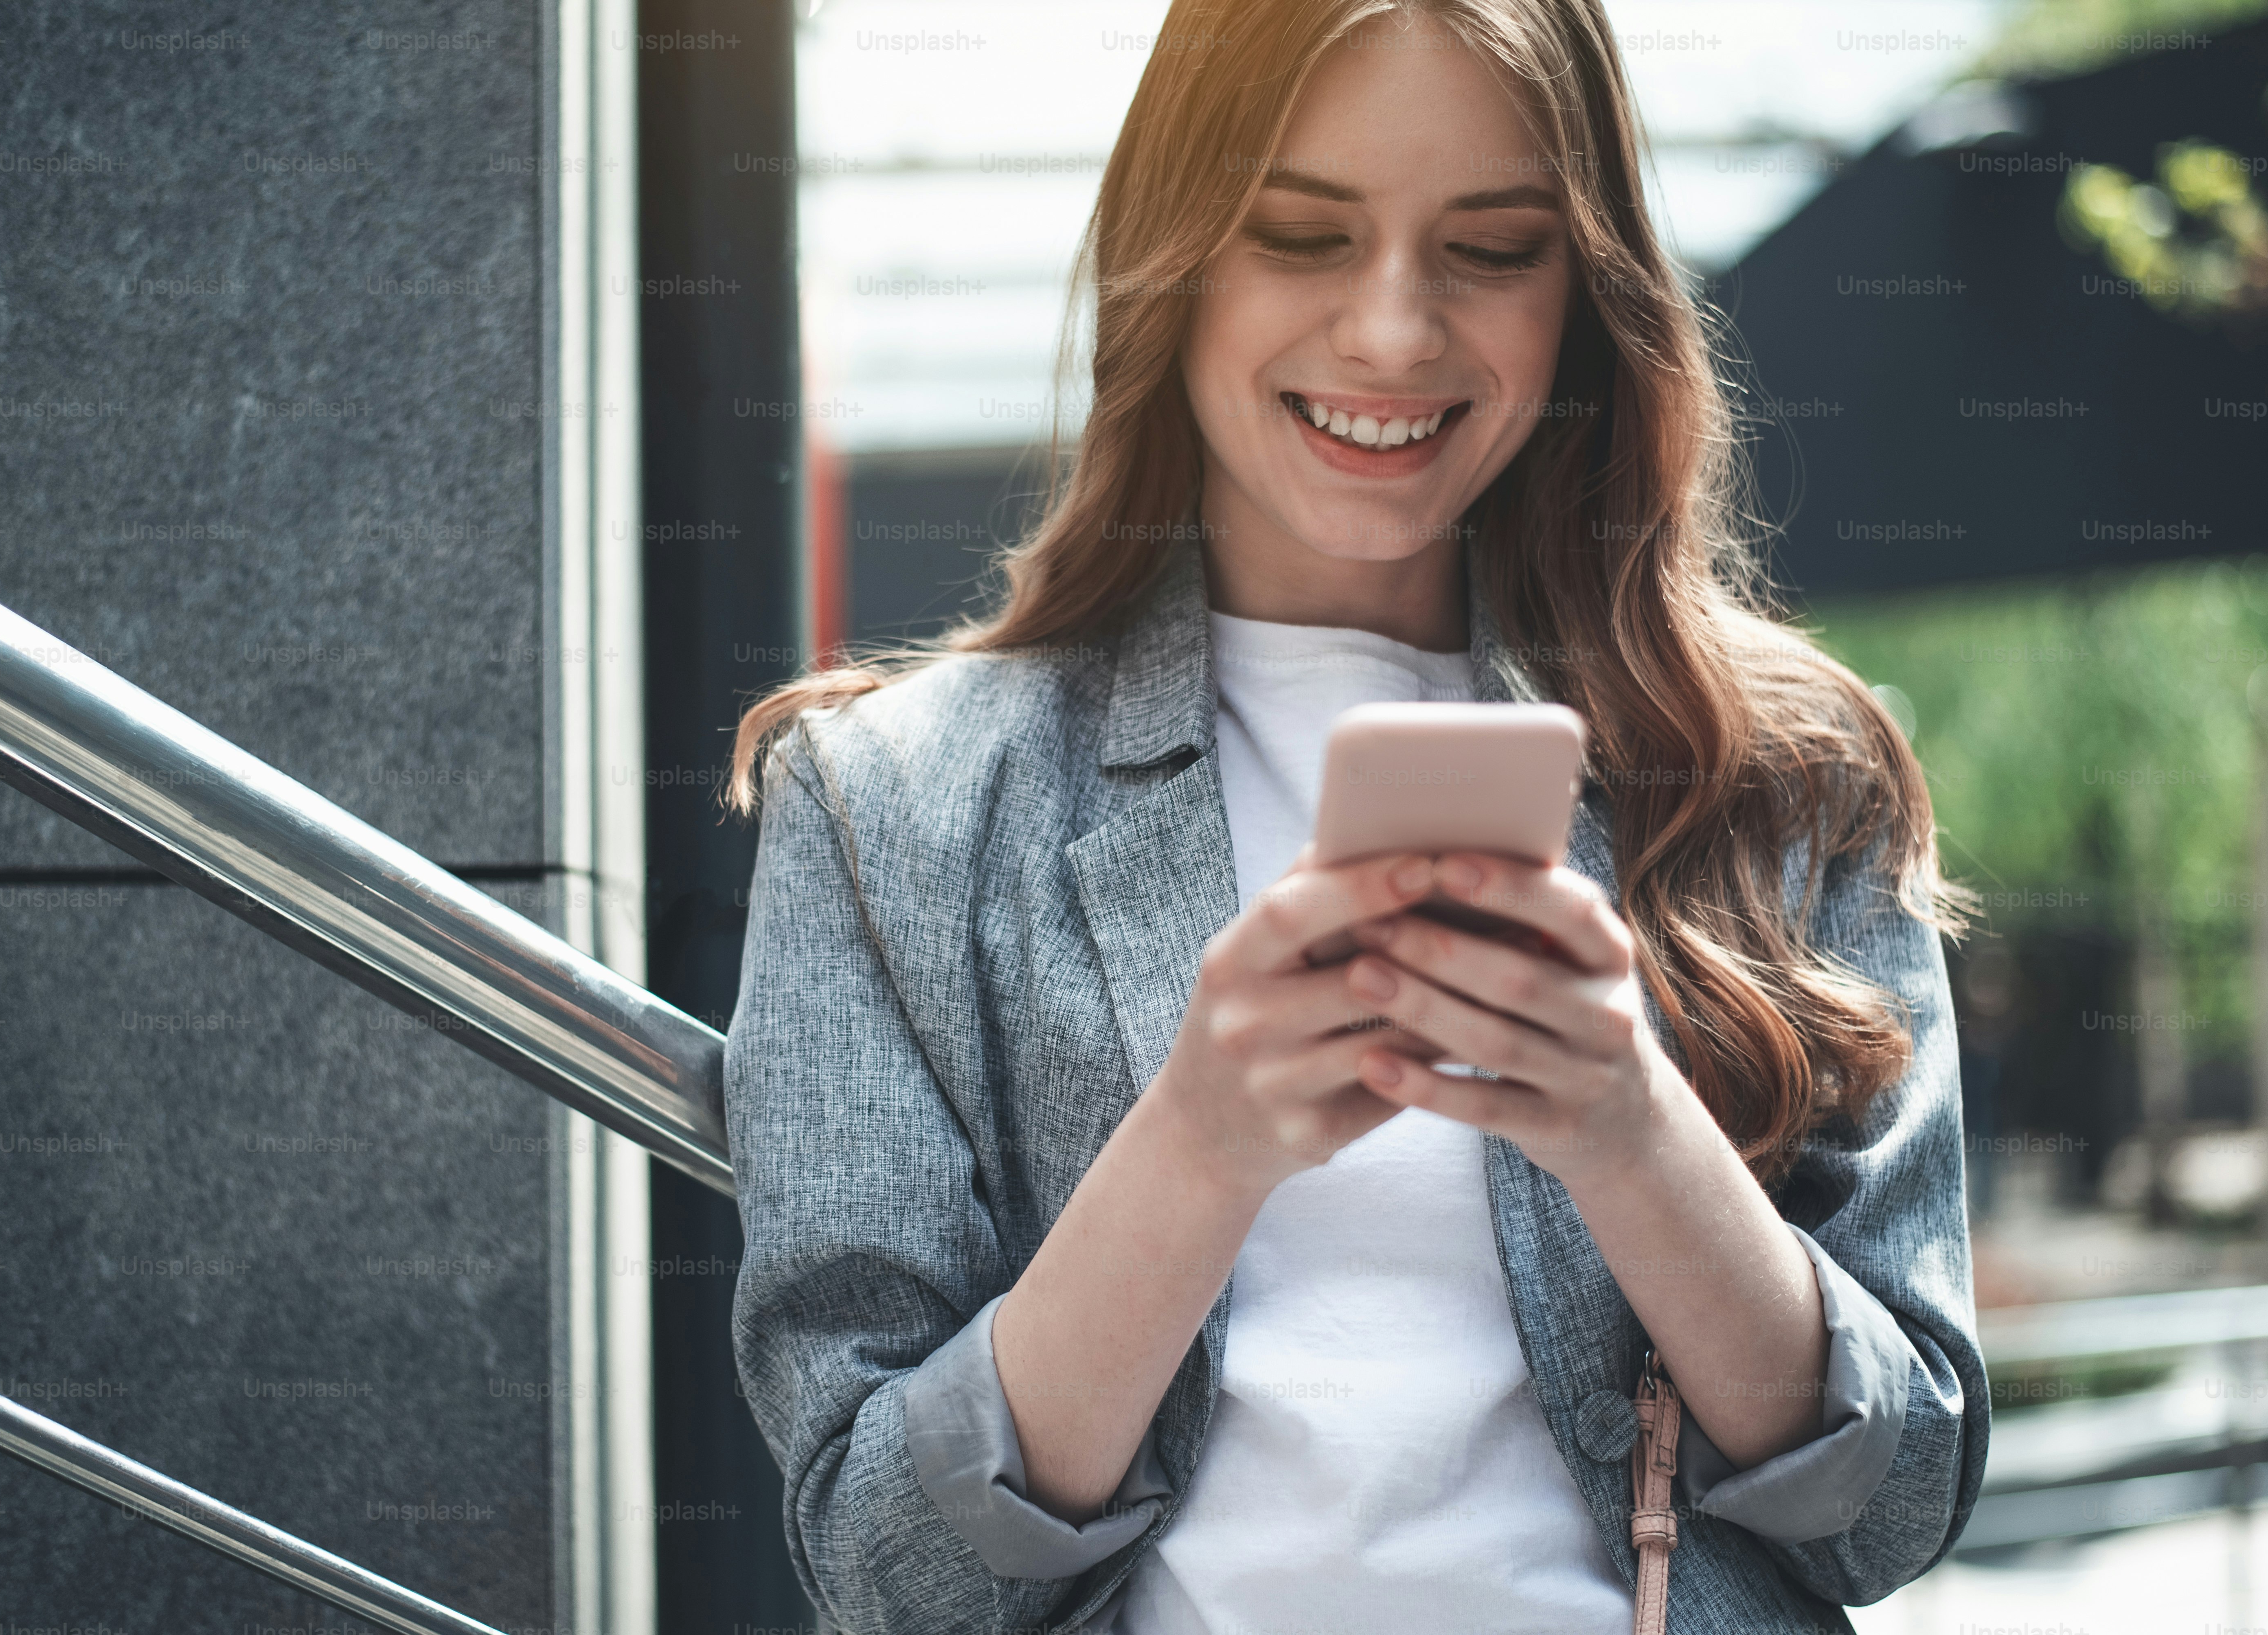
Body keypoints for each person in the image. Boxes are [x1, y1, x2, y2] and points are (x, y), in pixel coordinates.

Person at [719, 1, 1989, 1630]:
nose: (1392, 332)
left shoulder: (1786, 777)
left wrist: (1624, 1125)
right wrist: (1197, 1142)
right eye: (1303, 233)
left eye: (1494, 248)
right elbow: (883, 1565)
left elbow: (1897, 1503)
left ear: (1585, 296)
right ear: (1172, 254)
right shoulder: (896, 809)